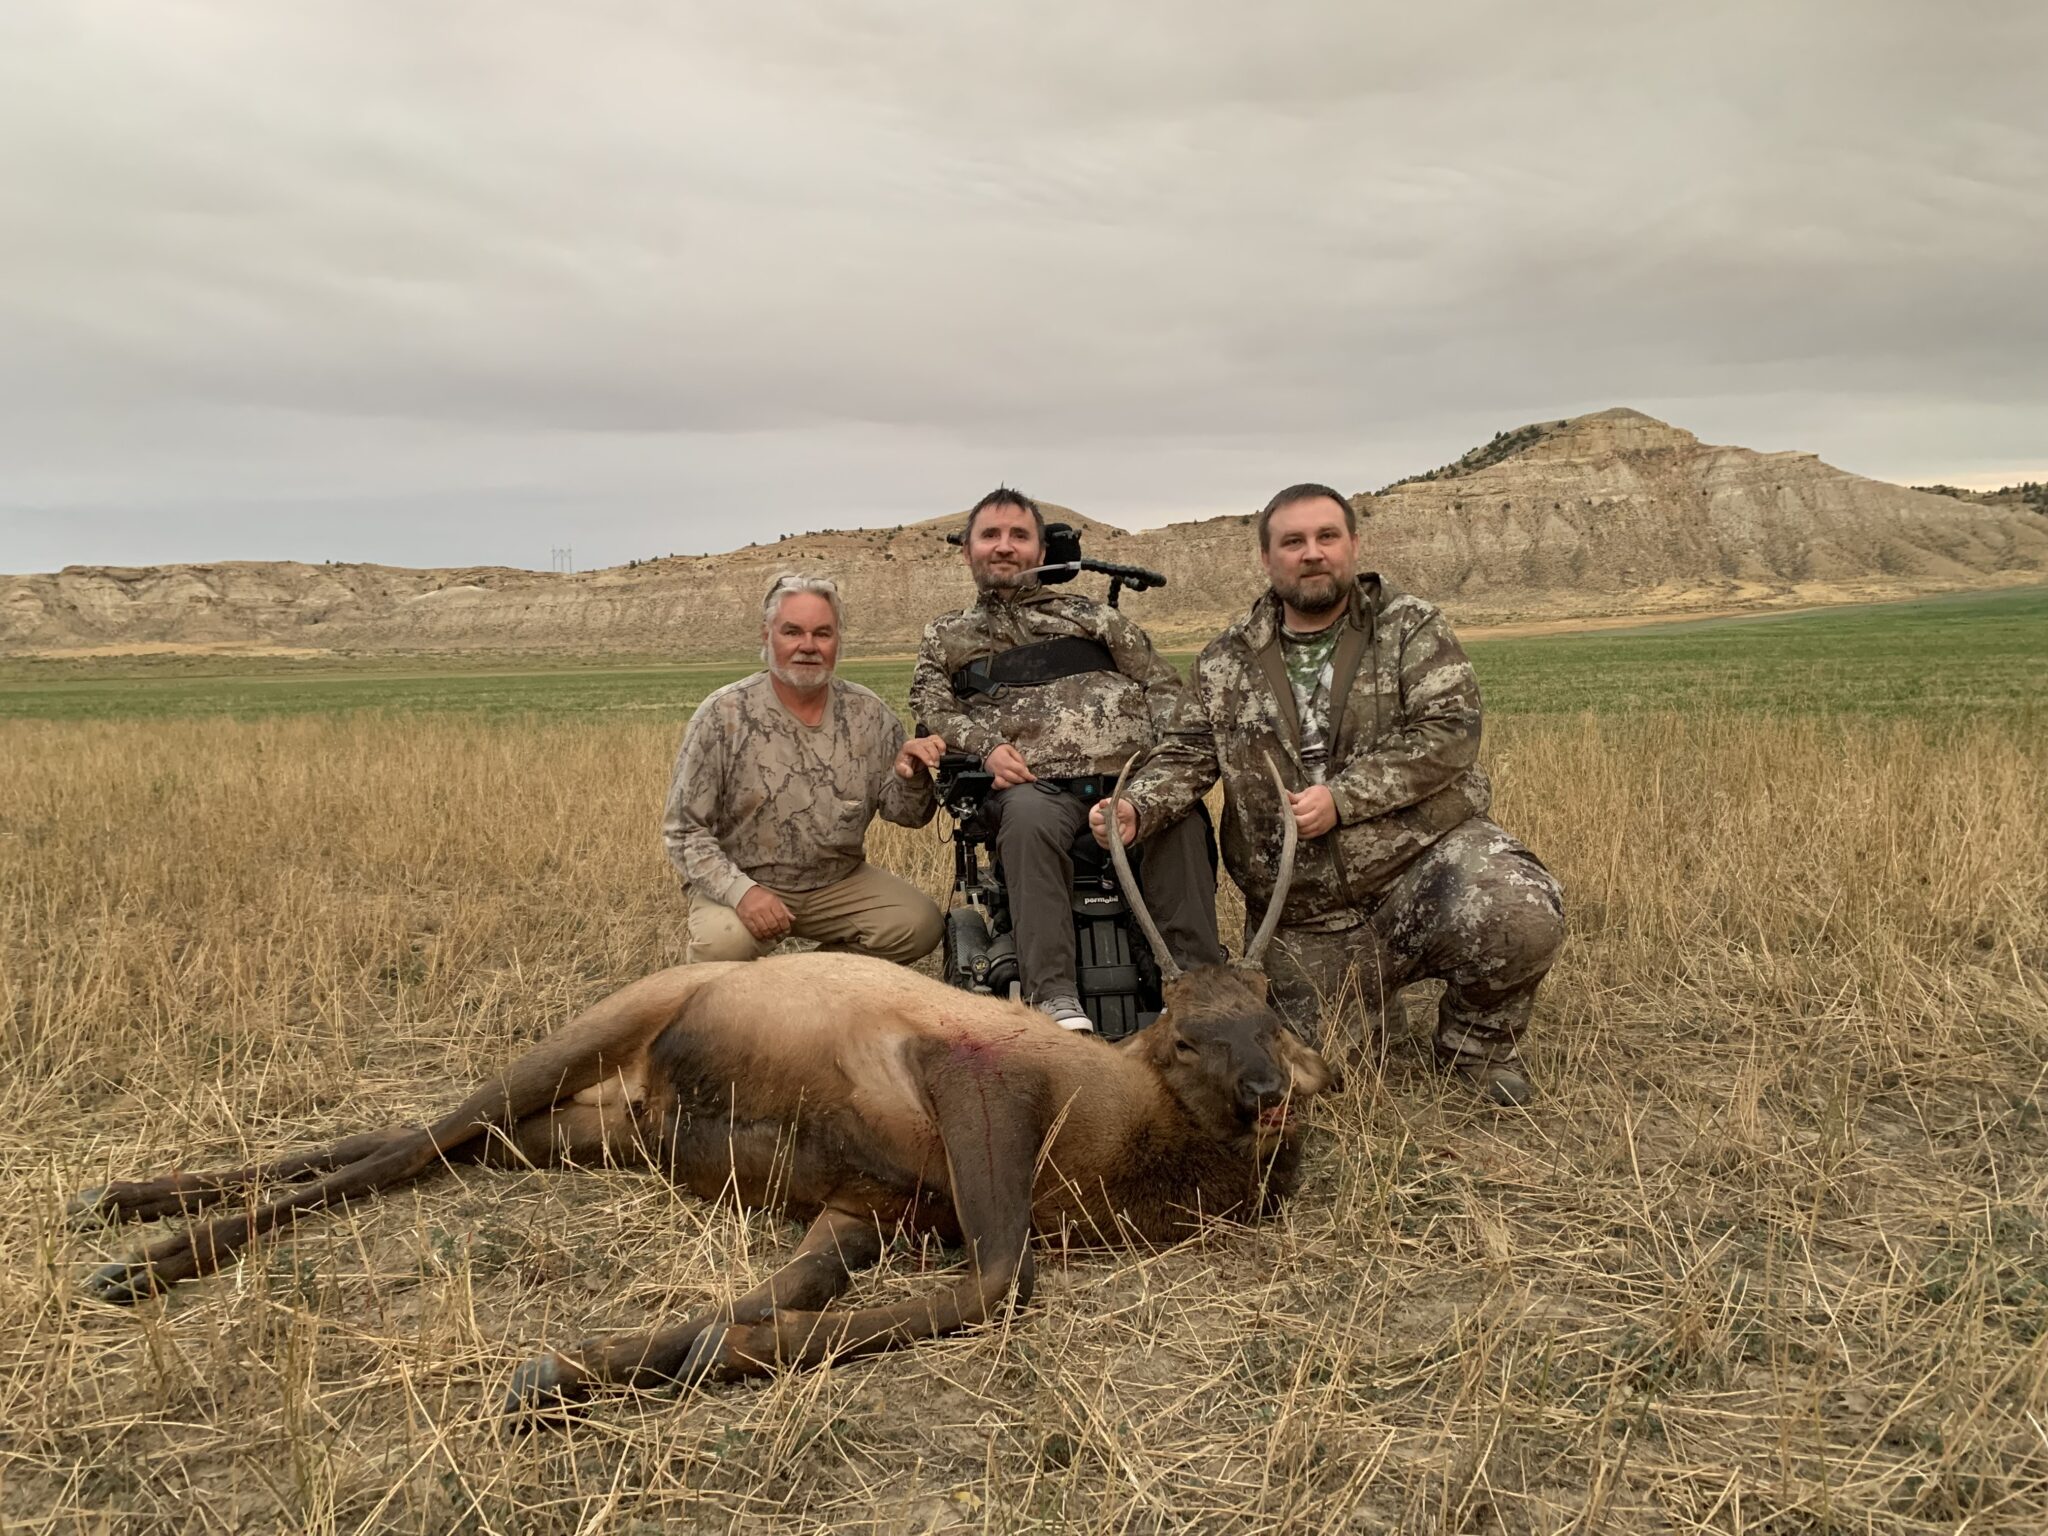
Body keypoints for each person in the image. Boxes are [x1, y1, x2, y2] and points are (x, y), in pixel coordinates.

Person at [1096, 483, 1564, 1105]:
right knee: (1316, 1075)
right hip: (1305, 913)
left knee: (1517, 909)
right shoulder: (1224, 661)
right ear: (1267, 559)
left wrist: (1343, 799)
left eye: (1326, 537)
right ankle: (1376, 1004)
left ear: (1353, 546)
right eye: (1293, 542)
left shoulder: (1410, 628)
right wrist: (1138, 806)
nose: (1312, 553)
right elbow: (1187, 752)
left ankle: (1475, 1050)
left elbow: (1450, 732)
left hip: (1417, 873)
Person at [909, 487, 1225, 1029]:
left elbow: (1171, 703)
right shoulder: (946, 635)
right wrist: (986, 746)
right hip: (1036, 793)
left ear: (1039, 551)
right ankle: (1052, 999)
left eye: (1018, 535)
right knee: (1028, 818)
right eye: (990, 535)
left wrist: (1144, 801)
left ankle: (1198, 997)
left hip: (1130, 786)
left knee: (1180, 822)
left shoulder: (1097, 619)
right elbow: (929, 706)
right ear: (968, 550)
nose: (1004, 546)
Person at [664, 572, 946, 965]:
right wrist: (740, 892)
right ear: (767, 637)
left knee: (918, 925)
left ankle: (808, 987)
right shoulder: (722, 715)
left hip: (837, 882)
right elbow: (683, 831)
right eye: (792, 632)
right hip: (743, 880)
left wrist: (910, 776)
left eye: (822, 634)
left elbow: (908, 815)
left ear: (838, 642)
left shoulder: (870, 714)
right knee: (724, 947)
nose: (808, 646)